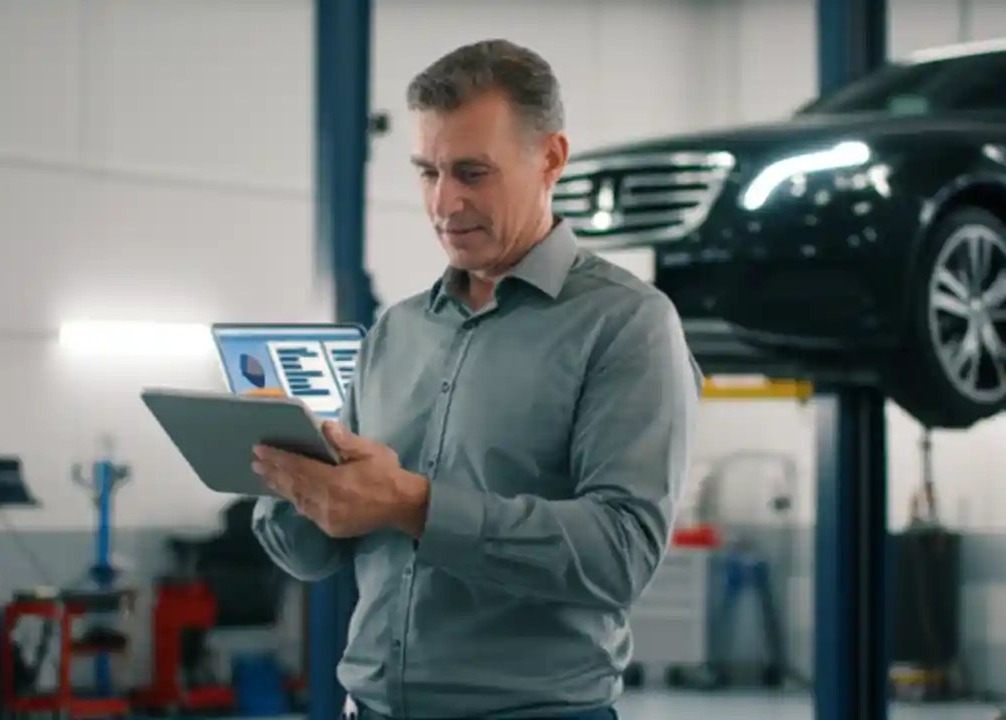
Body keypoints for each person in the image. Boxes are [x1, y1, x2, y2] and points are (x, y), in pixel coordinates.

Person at [251, 38, 702, 720]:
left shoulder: (626, 325)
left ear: (550, 158)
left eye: (472, 172)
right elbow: (317, 555)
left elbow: (621, 553)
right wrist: (289, 484)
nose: (444, 202)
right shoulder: (394, 334)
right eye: (427, 173)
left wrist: (413, 503)